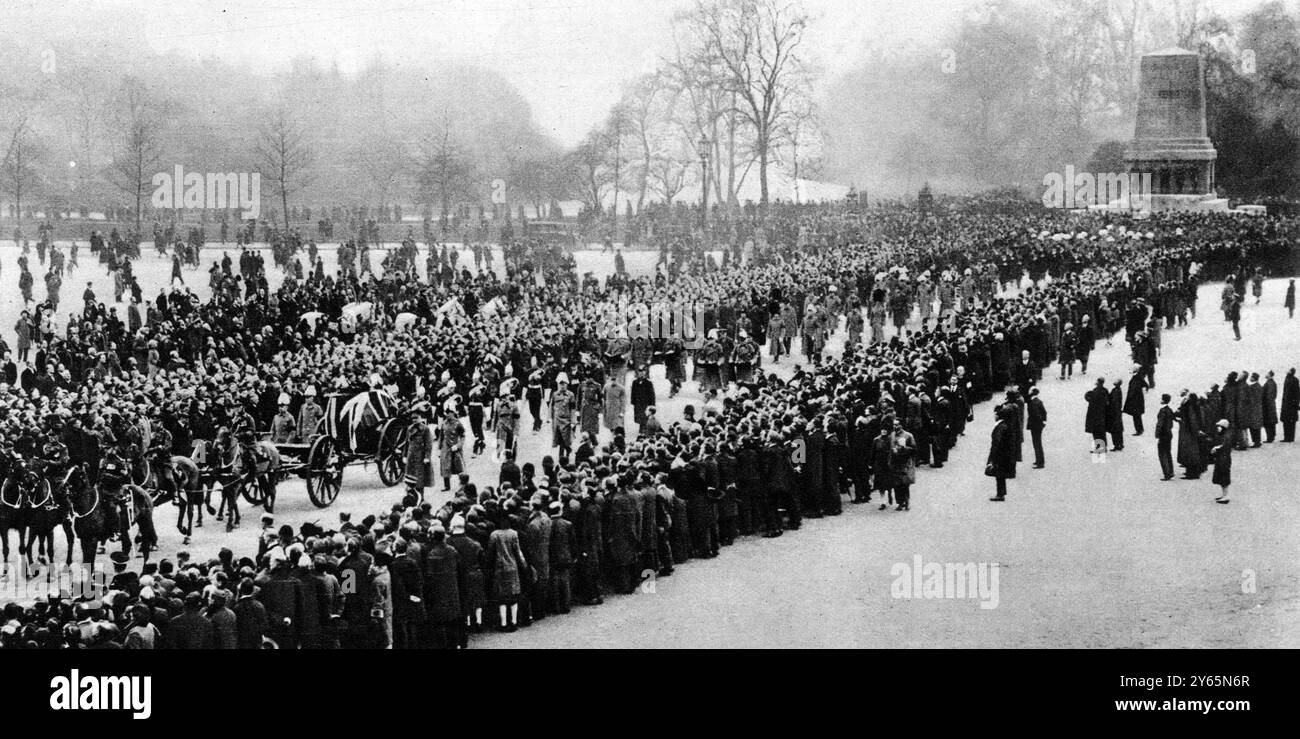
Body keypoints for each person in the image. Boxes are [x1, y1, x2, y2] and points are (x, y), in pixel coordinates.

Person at [986, 404, 1018, 501]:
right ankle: (1001, 492)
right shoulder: (1005, 425)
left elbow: (997, 443)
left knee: (999, 474)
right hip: (1004, 453)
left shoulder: (1000, 427)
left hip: (1000, 454)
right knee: (1000, 474)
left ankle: (1000, 494)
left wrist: (992, 458)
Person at [1084, 377, 1109, 459]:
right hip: (1102, 414)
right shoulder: (1105, 390)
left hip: (1095, 415)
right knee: (1101, 431)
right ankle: (1103, 447)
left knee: (1096, 432)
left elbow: (1091, 399)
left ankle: (1100, 449)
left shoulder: (1096, 391)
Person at [1210, 419, 1233, 504]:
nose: (1218, 428)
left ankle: (1226, 496)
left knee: (1224, 477)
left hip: (1223, 460)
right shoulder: (1225, 435)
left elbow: (1224, 447)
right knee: (1222, 477)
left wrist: (1216, 449)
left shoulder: (1226, 437)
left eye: (1219, 427)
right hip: (1222, 459)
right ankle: (1224, 495)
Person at [1124, 365, 1150, 436]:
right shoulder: (1139, 376)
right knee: (1137, 416)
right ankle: (1140, 429)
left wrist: (1130, 398)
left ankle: (1139, 430)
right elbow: (1146, 385)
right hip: (1138, 400)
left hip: (1135, 401)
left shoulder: (1136, 377)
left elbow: (1134, 389)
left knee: (1136, 416)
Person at [1155, 393, 1175, 481]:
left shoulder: (1162, 410)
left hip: (1163, 435)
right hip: (1169, 433)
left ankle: (1166, 473)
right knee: (1168, 453)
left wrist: (1157, 433)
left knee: (1162, 454)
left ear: (1163, 400)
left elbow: (1160, 423)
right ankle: (1171, 471)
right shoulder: (1169, 410)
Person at [1026, 386, 1046, 468]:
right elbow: (1044, 412)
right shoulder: (1039, 401)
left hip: (1035, 425)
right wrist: (1044, 422)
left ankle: (1040, 462)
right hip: (1039, 425)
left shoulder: (1033, 403)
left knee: (1036, 444)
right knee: (1038, 443)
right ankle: (1039, 460)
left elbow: (1036, 415)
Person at [1281, 368, 1300, 442]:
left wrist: (1296, 404)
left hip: (1291, 405)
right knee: (1286, 421)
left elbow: (1297, 393)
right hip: (1286, 404)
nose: (1287, 371)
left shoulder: (1294, 380)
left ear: (1291, 372)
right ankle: (1287, 437)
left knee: (1291, 422)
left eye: (1288, 370)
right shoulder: (1287, 379)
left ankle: (1290, 438)